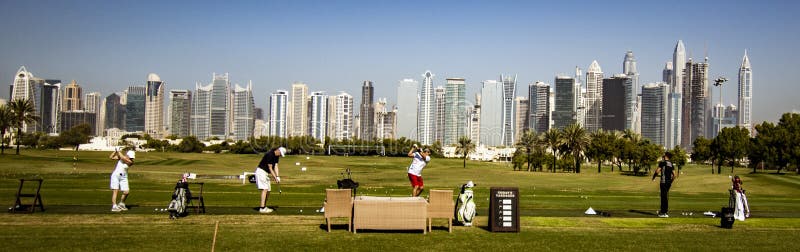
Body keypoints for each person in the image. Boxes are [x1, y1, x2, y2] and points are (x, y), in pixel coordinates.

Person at [255, 147, 286, 213]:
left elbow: (276, 166)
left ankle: (264, 206)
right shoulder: (270, 154)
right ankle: (262, 208)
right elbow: (270, 168)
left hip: (265, 173)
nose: (280, 155)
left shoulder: (276, 156)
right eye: (280, 154)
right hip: (261, 172)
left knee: (268, 190)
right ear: (278, 150)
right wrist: (275, 178)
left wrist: (278, 176)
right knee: (265, 189)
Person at [652, 152, 676, 218]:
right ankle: (664, 211)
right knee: (665, 197)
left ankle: (663, 212)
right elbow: (674, 175)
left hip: (663, 182)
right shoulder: (671, 164)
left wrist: (653, 177)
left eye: (664, 155)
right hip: (668, 183)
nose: (663, 155)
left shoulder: (662, 163)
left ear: (666, 156)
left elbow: (657, 171)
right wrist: (671, 182)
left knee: (663, 197)